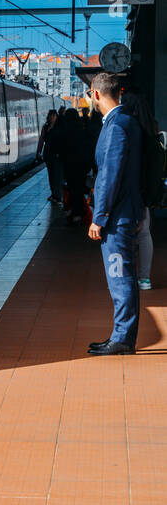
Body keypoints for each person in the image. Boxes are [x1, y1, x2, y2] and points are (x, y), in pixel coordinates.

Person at [87, 72, 143, 356]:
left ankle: (122, 338)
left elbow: (110, 175)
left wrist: (99, 216)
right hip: (126, 212)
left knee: (119, 276)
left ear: (96, 94)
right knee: (124, 276)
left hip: (117, 218)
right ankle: (121, 335)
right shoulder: (127, 122)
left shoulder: (116, 126)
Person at [122, 92, 159, 290]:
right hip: (146, 193)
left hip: (132, 191)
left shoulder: (130, 129)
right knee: (145, 234)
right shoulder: (152, 130)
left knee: (128, 234)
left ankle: (128, 276)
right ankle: (144, 277)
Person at [39, 109, 61, 202]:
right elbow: (41, 139)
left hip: (57, 154)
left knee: (57, 175)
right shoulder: (45, 127)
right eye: (50, 116)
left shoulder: (59, 127)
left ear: (56, 116)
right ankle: (53, 193)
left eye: (54, 116)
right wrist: (38, 151)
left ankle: (57, 195)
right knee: (51, 175)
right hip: (48, 153)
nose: (52, 118)